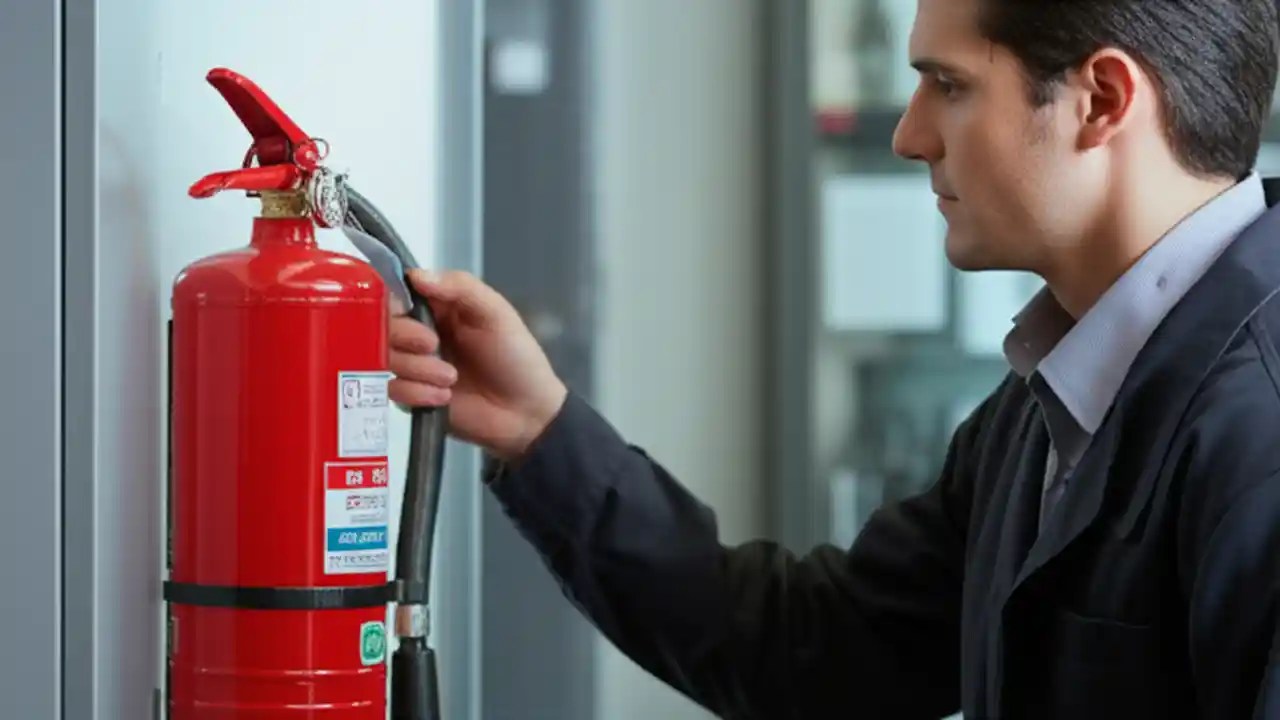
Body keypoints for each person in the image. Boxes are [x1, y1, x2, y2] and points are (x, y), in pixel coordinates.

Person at [388, 0, 1280, 716]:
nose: (910, 134)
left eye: (948, 84)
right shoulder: (1056, 400)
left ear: (1102, 100)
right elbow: (826, 654)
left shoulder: (1259, 429)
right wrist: (541, 432)